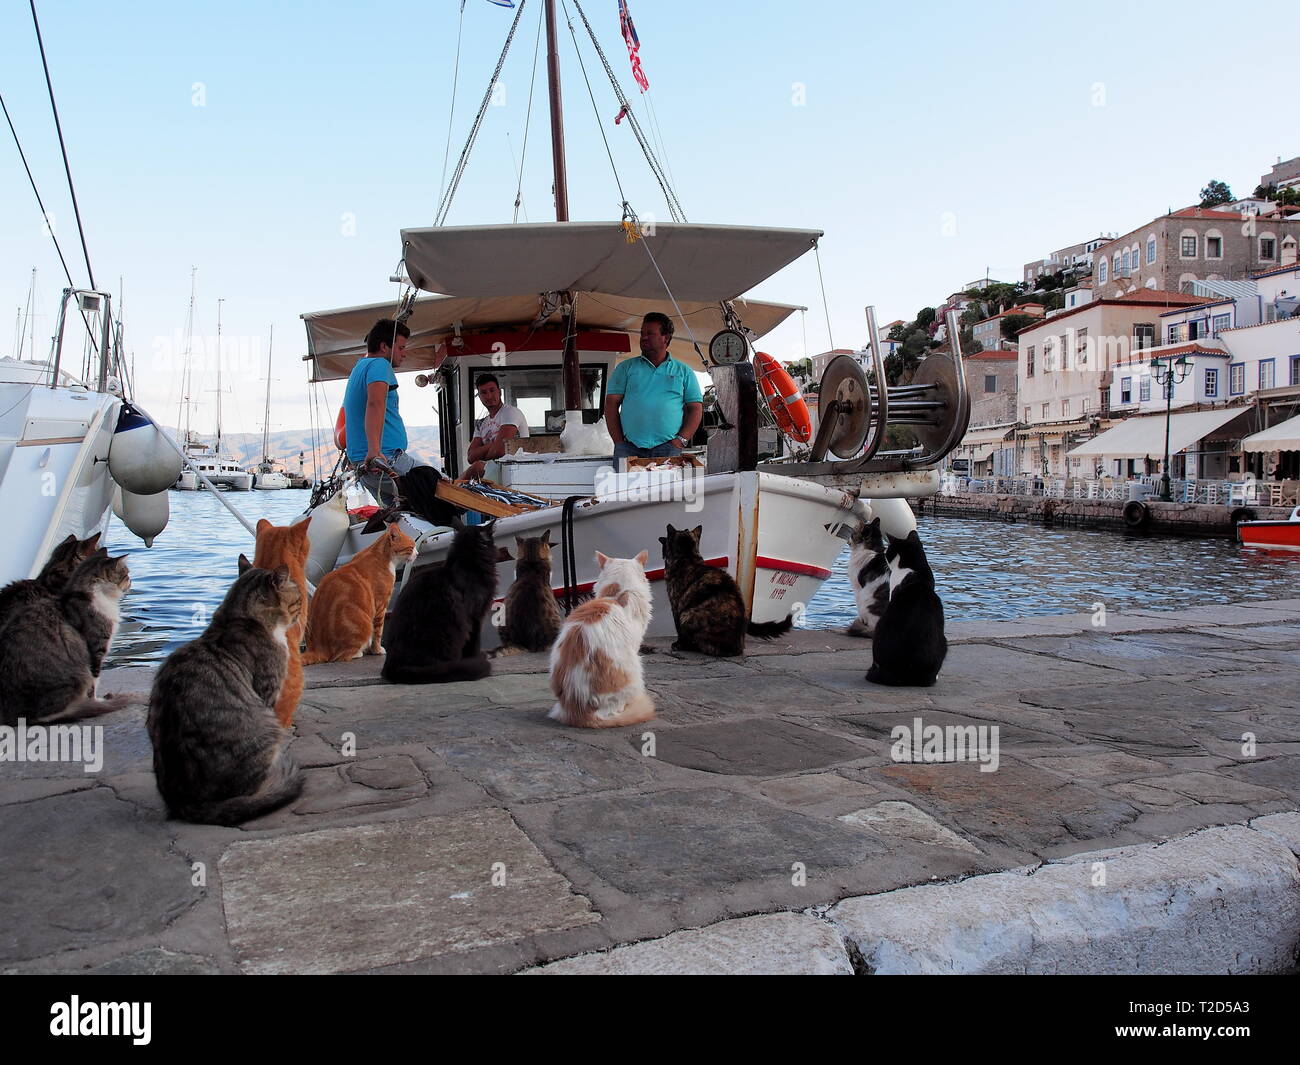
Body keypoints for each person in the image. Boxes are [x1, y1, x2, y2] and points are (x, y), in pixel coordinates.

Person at [343, 318, 441, 503]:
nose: (404, 354)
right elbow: (375, 403)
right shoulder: (380, 365)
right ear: (384, 347)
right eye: (401, 348)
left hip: (364, 466)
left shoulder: (358, 368)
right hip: (385, 461)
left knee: (405, 514)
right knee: (445, 489)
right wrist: (374, 451)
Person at [604, 312, 703, 463]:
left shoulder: (684, 371)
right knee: (625, 487)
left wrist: (681, 440)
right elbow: (611, 404)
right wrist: (619, 442)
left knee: (668, 488)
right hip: (629, 448)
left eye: (650, 333)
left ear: (666, 338)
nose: (643, 337)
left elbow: (695, 408)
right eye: (642, 333)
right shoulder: (625, 368)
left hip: (669, 448)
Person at [464, 374, 530, 480]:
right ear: (479, 396)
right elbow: (471, 457)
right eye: (484, 393)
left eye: (492, 390)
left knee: (476, 468)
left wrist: (485, 452)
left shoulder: (510, 412)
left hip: (515, 470)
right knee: (475, 469)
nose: (489, 396)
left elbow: (499, 450)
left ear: (499, 392)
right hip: (496, 470)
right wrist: (492, 446)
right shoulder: (481, 423)